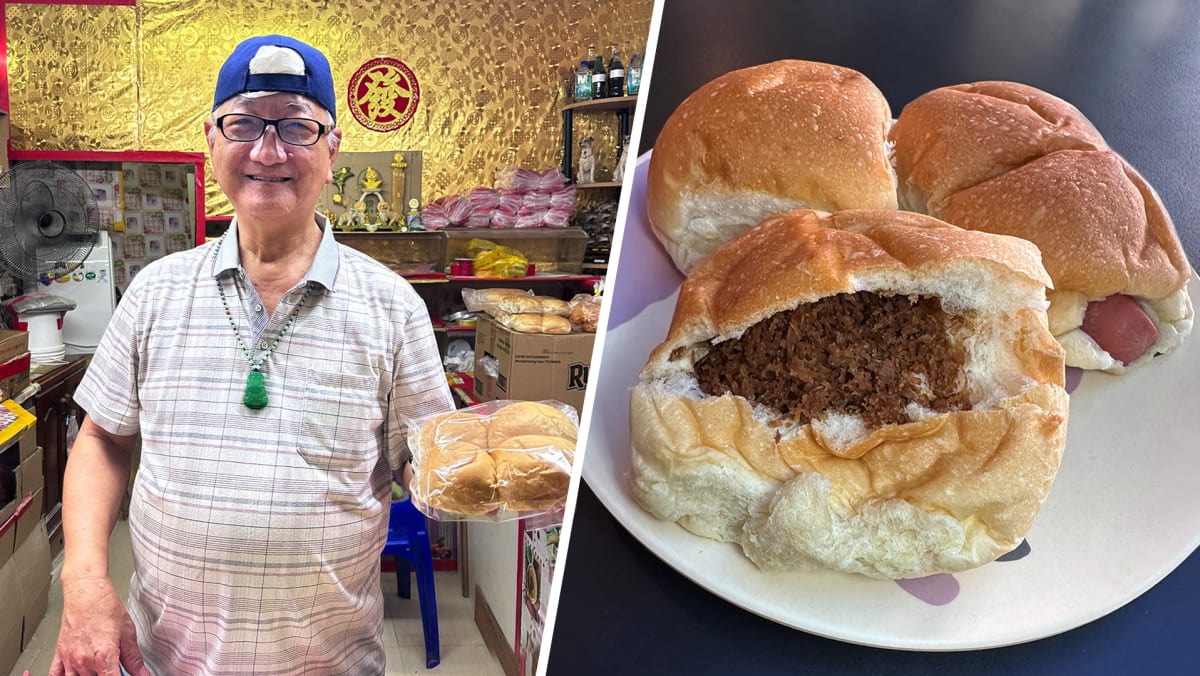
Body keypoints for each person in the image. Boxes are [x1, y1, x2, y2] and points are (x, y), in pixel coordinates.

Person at [50, 35, 454, 675]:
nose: (269, 151)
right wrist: (84, 582)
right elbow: (101, 441)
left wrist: (486, 475)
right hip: (165, 660)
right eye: (244, 123)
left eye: (296, 126)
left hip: (330, 663)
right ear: (211, 140)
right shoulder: (155, 293)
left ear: (331, 149)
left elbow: (426, 466)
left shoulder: (393, 308)